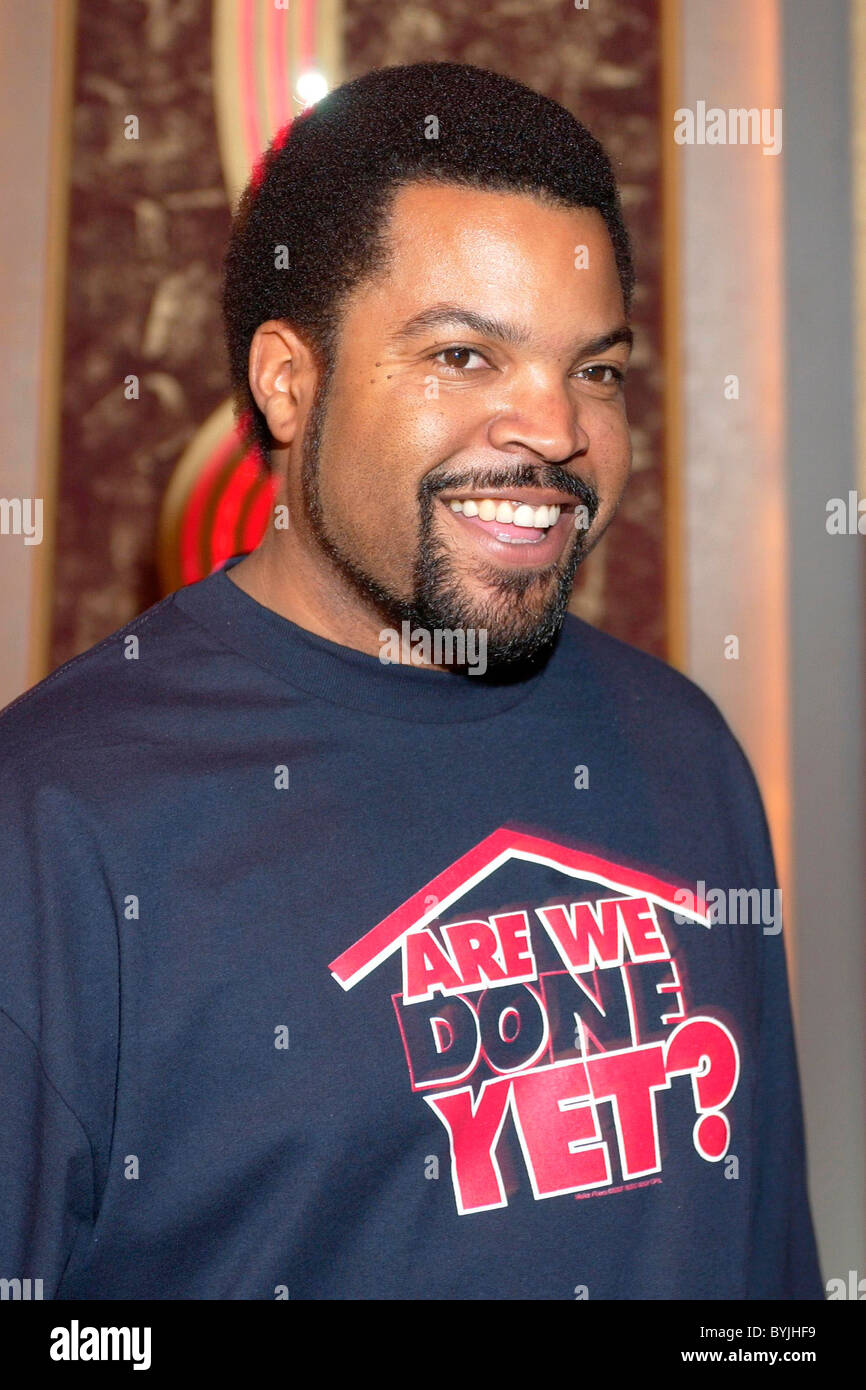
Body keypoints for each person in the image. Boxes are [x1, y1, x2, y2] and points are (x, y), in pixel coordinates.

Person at [0, 61, 822, 1300]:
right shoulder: (55, 815)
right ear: (289, 381)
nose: (554, 428)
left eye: (593, 368)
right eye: (461, 355)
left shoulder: (682, 746)